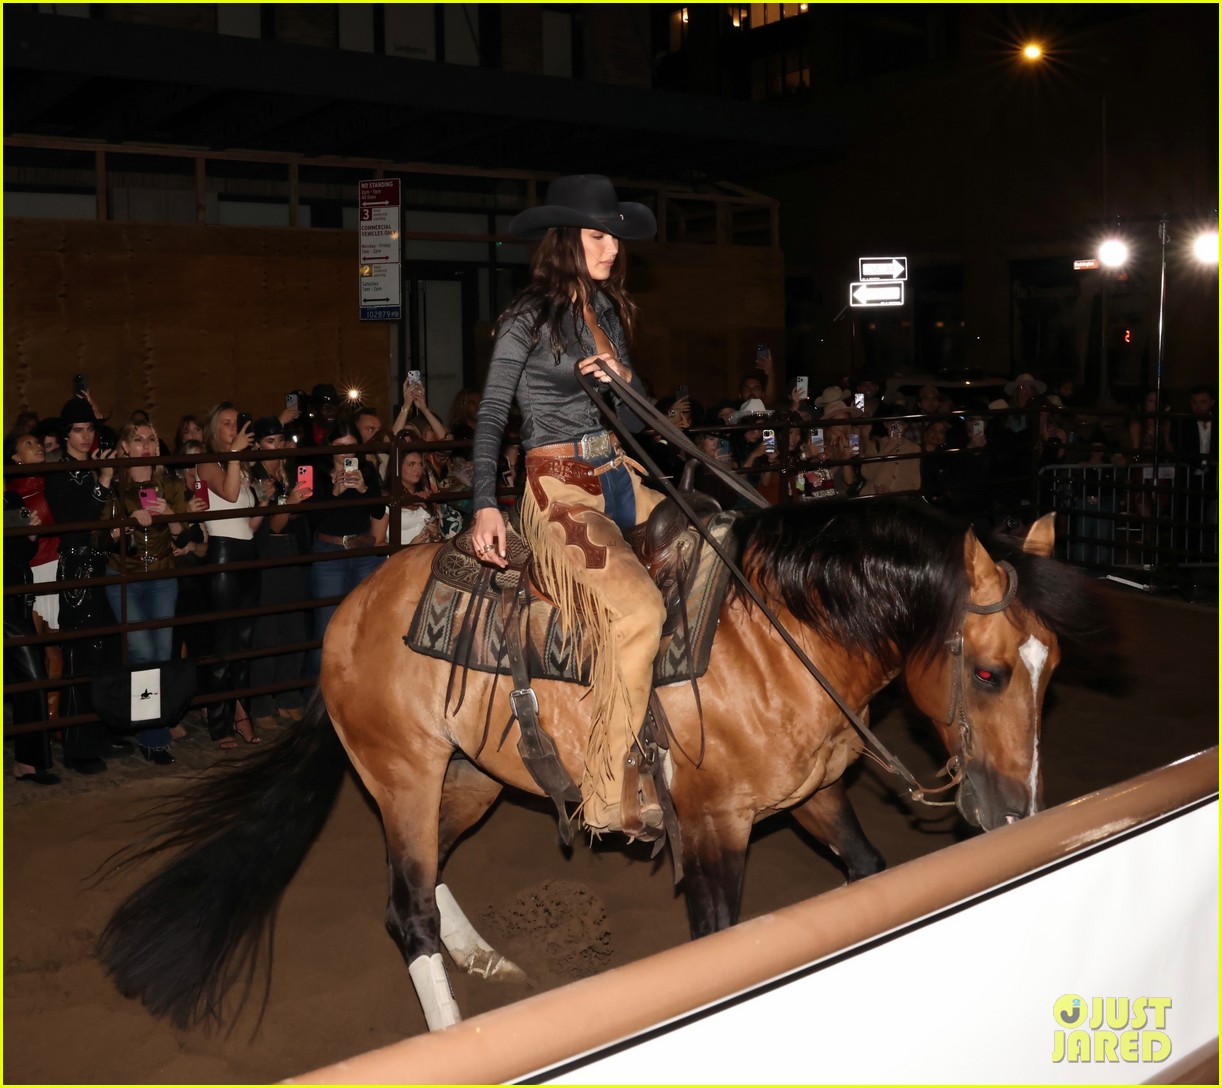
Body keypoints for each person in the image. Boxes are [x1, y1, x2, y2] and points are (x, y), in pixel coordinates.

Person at [468, 174, 667, 835]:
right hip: (558, 488)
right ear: (566, 241)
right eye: (597, 235)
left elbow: (636, 422)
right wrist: (485, 503)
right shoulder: (526, 319)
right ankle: (607, 794)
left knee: (715, 554)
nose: (611, 247)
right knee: (639, 610)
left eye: (614, 236)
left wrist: (622, 379)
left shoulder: (608, 314)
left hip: (617, 470)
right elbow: (493, 411)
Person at [94, 420, 201, 763]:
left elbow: (185, 539)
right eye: (137, 439)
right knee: (142, 652)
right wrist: (123, 527)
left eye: (152, 439)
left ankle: (155, 723)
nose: (146, 445)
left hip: (162, 575)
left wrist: (169, 515)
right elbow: (99, 540)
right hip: (124, 577)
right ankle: (152, 734)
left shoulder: (168, 483)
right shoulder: (115, 485)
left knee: (162, 651)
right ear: (124, 446)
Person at [42, 395, 132, 772]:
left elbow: (100, 523)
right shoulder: (59, 471)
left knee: (107, 651)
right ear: (66, 435)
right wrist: (104, 484)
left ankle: (102, 732)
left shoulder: (93, 467)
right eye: (78, 430)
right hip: (76, 571)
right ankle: (78, 747)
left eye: (89, 429)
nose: (85, 436)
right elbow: (73, 521)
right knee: (80, 656)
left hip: (100, 567)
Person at [197, 402, 265, 748]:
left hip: (247, 552)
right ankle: (221, 724)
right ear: (214, 429)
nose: (233, 428)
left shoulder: (244, 465)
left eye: (237, 422)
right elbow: (228, 493)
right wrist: (236, 455)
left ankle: (242, 714)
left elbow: (249, 519)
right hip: (222, 553)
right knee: (223, 644)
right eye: (226, 423)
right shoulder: (207, 461)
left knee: (244, 644)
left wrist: (272, 504)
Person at [303, 419, 387, 672]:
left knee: (361, 624)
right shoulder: (317, 471)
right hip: (329, 553)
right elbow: (313, 519)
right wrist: (334, 493)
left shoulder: (368, 471)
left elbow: (378, 510)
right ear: (330, 446)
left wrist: (363, 489)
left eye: (350, 447)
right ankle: (316, 699)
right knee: (326, 628)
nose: (345, 453)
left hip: (362, 551)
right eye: (339, 446)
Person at [247, 416, 314, 717]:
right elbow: (273, 526)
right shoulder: (256, 477)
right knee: (268, 631)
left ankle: (289, 697)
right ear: (258, 444)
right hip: (268, 552)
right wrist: (291, 501)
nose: (276, 446)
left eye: (280, 440)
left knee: (294, 628)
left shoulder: (288, 471)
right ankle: (261, 703)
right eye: (269, 441)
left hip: (295, 551)